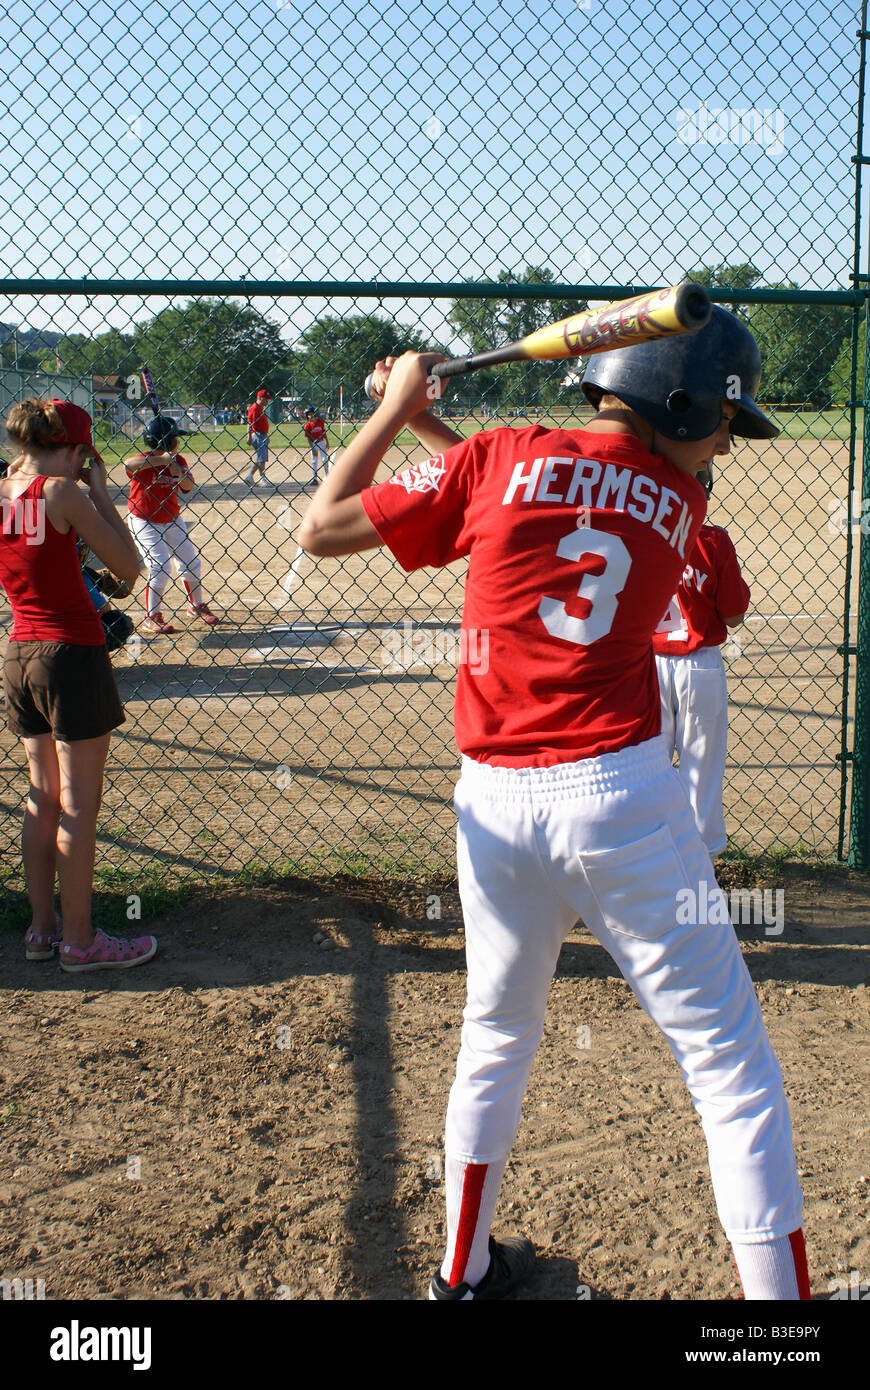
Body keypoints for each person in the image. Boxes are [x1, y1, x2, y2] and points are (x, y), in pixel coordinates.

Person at [298, 307, 809, 1302]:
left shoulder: (498, 458)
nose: (723, 449)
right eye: (723, 425)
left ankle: (464, 1273)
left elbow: (332, 526)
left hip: (493, 809)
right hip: (624, 802)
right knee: (729, 1068)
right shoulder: (678, 498)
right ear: (682, 404)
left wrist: (398, 410)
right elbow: (553, 495)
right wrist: (422, 421)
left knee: (496, 1032)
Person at [0, 399, 157, 971]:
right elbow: (129, 567)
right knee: (77, 805)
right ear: (71, 450)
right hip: (70, 653)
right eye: (82, 455)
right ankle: (82, 940)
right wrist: (102, 495)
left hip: (19, 652)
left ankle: (43, 932)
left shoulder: (4, 490)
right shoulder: (63, 493)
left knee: (41, 797)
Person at [653, 466, 750, 854]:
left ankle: (651, 852)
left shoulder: (641, 536)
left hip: (645, 664)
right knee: (702, 769)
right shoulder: (713, 541)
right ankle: (701, 855)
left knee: (648, 765)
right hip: (700, 665)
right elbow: (733, 615)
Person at [124, 414, 219, 634]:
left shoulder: (179, 461)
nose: (179, 442)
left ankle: (196, 605)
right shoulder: (145, 459)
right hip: (143, 520)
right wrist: (163, 460)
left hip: (172, 519)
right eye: (175, 438)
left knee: (191, 562)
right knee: (160, 566)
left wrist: (179, 472)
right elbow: (129, 464)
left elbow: (189, 486)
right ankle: (152, 615)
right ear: (166, 441)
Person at [245, 389, 272, 485]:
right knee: (262, 459)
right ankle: (263, 479)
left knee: (260, 458)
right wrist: (249, 436)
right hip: (258, 435)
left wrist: (266, 435)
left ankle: (250, 477)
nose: (267, 401)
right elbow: (249, 422)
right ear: (260, 398)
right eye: (265, 399)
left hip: (262, 435)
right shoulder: (255, 408)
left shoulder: (260, 408)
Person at [302, 407, 329, 484]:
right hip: (314, 443)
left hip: (322, 442)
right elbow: (308, 438)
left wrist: (327, 442)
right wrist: (312, 448)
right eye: (308, 415)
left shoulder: (320, 422)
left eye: (311, 414)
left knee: (324, 460)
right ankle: (315, 479)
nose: (310, 416)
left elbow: (324, 433)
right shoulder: (307, 425)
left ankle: (328, 476)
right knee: (314, 461)